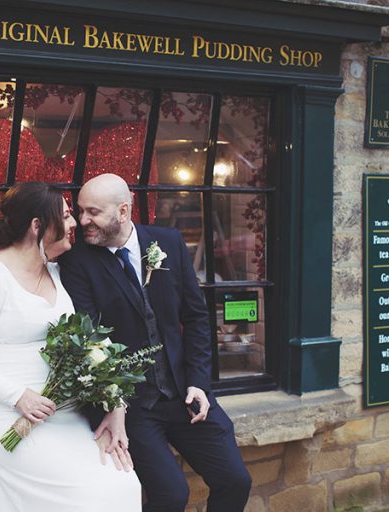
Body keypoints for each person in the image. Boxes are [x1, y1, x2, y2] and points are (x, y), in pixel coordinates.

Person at [0, 182, 141, 512]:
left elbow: (88, 344)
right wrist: (18, 396)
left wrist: (116, 405)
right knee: (92, 496)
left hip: (59, 412)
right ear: (37, 226)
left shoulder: (58, 273)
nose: (75, 224)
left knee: (124, 482)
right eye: (67, 215)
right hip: (0, 413)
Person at [60, 174, 251, 512]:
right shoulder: (77, 262)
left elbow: (195, 318)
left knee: (235, 480)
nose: (82, 221)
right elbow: (88, 339)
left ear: (122, 211)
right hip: (131, 406)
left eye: (93, 212)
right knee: (171, 496)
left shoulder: (169, 242)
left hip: (183, 394)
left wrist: (198, 384)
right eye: (80, 211)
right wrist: (114, 403)